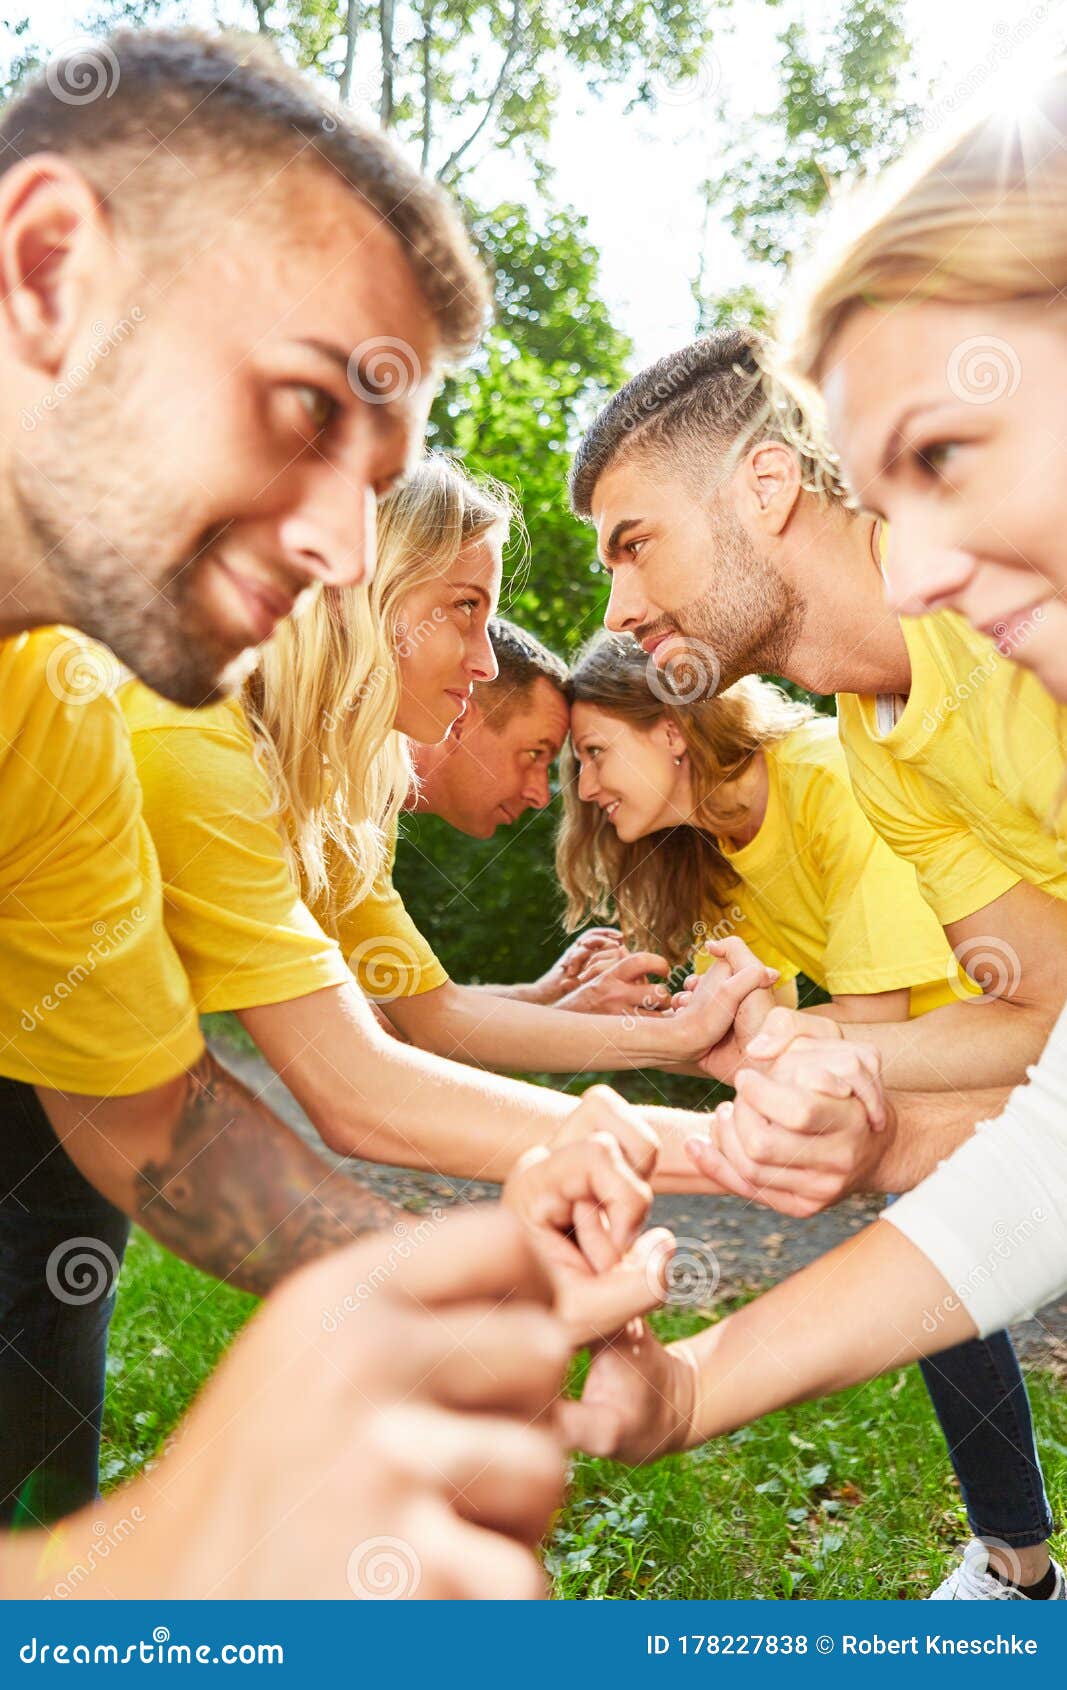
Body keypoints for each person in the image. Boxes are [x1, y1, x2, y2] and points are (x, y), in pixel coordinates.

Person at [0, 29, 661, 1585]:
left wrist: (447, 1283)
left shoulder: (68, 711)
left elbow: (147, 1116)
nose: (337, 549)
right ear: (47, 274)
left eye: (375, 483)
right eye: (305, 409)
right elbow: (358, 1070)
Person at [564, 69, 1067, 1601]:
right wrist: (805, 1075)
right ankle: (1018, 1559)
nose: (616, 612)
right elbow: (1039, 1025)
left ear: (766, 487)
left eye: (632, 542)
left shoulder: (995, 609)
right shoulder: (878, 736)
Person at [558, 630, 976, 1096]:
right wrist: (635, 1016)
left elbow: (872, 1020)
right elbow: (738, 1025)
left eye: (595, 753)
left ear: (672, 731)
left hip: (1016, 1052)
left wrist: (663, 1034)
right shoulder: (717, 847)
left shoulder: (830, 783)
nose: (585, 789)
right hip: (933, 1076)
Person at [411, 615, 676, 1016]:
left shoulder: (363, 828)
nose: (539, 795)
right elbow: (368, 1031)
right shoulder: (318, 794)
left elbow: (400, 1015)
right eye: (534, 754)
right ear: (460, 722)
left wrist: (544, 995)